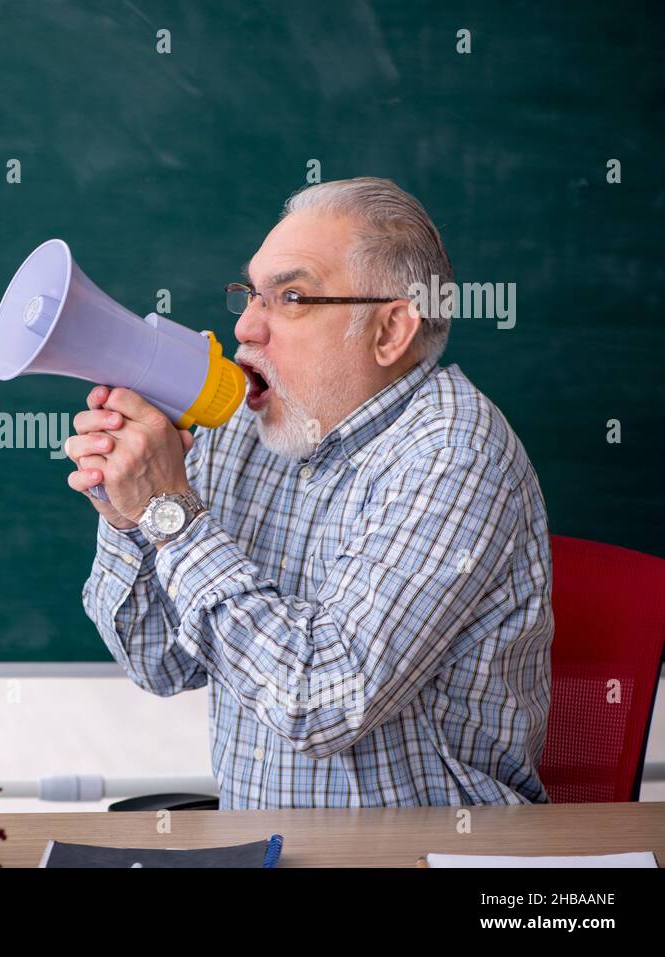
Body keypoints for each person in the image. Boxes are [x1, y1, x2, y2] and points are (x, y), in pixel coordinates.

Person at [69, 177, 552, 808]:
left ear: (390, 331)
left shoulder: (454, 452)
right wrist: (130, 513)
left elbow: (320, 701)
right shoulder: (244, 429)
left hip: (421, 856)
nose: (245, 326)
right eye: (248, 295)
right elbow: (159, 664)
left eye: (291, 297)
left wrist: (173, 514)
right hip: (265, 848)